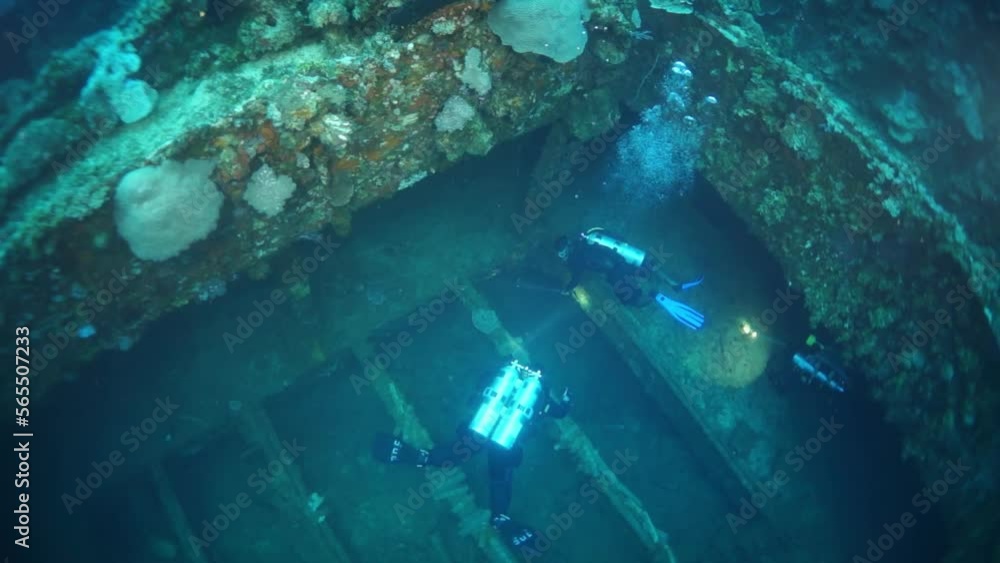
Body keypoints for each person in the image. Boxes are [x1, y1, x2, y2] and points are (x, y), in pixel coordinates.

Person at [372, 360, 571, 552]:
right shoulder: (540, 397)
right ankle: (500, 518)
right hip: (503, 442)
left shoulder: (506, 376)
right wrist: (566, 401)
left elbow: (481, 385)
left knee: (453, 453)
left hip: (480, 429)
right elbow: (560, 413)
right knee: (500, 479)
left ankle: (418, 457)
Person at [550, 228, 706, 329]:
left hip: (615, 274)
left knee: (630, 300)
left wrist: (567, 289)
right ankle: (674, 284)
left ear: (566, 248)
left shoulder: (576, 256)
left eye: (562, 253)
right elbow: (615, 237)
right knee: (649, 265)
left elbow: (577, 276)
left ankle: (654, 295)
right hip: (622, 260)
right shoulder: (587, 239)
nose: (562, 257)